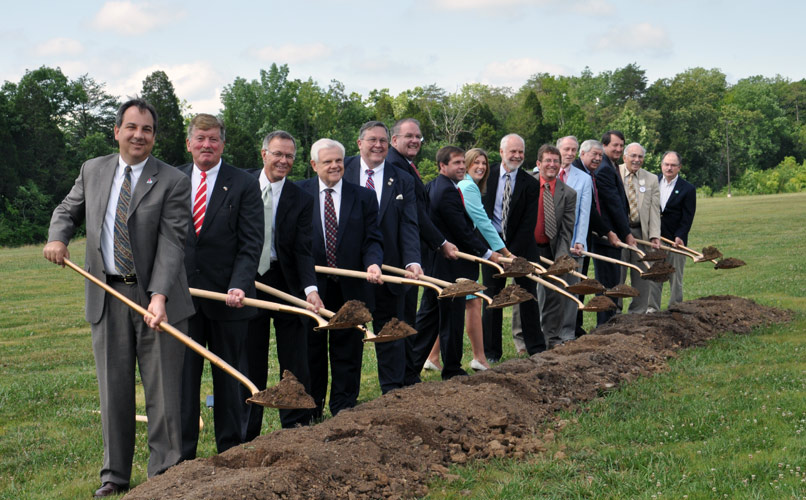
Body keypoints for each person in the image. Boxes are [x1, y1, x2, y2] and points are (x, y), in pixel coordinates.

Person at [43, 98, 195, 497]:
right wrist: (58, 237)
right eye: (131, 127)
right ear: (117, 131)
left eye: (146, 129)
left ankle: (164, 475)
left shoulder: (173, 181)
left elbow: (172, 243)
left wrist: (159, 296)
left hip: (157, 301)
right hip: (106, 295)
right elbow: (67, 210)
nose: (138, 135)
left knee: (163, 394)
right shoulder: (93, 170)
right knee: (113, 391)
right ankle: (115, 476)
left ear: (154, 137)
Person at [178, 114, 263, 460]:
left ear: (222, 144)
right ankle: (182, 456)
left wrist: (240, 285)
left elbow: (250, 242)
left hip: (229, 300)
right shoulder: (173, 180)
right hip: (183, 300)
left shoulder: (242, 183)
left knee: (229, 379)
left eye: (213, 139)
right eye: (200, 139)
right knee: (184, 381)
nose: (206, 145)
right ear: (189, 143)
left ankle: (230, 450)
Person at [298, 139, 383, 419]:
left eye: (339, 161)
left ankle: (344, 408)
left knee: (348, 350)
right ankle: (313, 410)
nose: (335, 166)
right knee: (311, 352)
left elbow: (372, 239)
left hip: (351, 287)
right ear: (314, 165)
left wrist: (373, 263)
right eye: (327, 162)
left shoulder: (364, 197)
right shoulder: (299, 194)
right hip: (312, 288)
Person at [245, 131, 323, 436]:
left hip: (286, 280)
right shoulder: (241, 186)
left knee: (295, 354)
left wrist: (310, 290)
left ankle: (295, 423)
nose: (284, 161)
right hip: (249, 280)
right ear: (263, 154)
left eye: (289, 156)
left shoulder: (300, 198)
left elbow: (304, 249)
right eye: (278, 154)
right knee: (251, 353)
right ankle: (247, 426)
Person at [407, 146, 502, 382]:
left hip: (440, 265)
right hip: (450, 266)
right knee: (450, 318)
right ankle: (450, 369)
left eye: (462, 162)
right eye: (456, 163)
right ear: (442, 166)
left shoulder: (440, 186)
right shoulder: (446, 190)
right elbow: (461, 230)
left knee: (430, 317)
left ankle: (411, 369)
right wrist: (488, 254)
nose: (461, 167)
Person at [344, 121, 421, 394]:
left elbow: (409, 224)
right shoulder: (341, 169)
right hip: (351, 271)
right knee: (350, 338)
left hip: (390, 270)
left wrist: (412, 261)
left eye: (383, 141)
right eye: (372, 140)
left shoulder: (402, 178)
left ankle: (393, 392)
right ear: (359, 143)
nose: (378, 146)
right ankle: (346, 401)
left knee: (391, 333)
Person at [481, 134, 541, 361]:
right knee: (492, 299)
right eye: (512, 151)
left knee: (527, 298)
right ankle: (491, 352)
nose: (517, 156)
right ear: (501, 151)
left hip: (522, 247)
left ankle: (535, 347)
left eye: (520, 152)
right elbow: (481, 214)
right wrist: (496, 251)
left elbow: (528, 223)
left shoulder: (531, 184)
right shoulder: (486, 176)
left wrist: (511, 254)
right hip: (492, 249)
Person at [546, 136, 591, 345]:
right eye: (567, 149)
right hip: (544, 243)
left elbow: (584, 213)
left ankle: (566, 333)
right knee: (544, 290)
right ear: (558, 149)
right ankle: (540, 332)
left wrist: (579, 240)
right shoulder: (540, 174)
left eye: (574, 150)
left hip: (572, 242)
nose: (571, 153)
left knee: (570, 288)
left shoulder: (583, 179)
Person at [532, 145, 576, 347]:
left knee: (555, 295)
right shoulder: (527, 185)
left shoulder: (568, 193)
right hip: (529, 248)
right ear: (538, 163)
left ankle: (552, 338)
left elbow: (567, 229)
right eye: (547, 160)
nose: (552, 164)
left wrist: (561, 257)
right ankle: (524, 340)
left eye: (555, 161)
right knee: (527, 294)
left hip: (553, 248)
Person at [571, 140, 617, 335]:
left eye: (600, 155)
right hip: (574, 237)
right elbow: (588, 210)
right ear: (582, 154)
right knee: (575, 282)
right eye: (594, 154)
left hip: (586, 235)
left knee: (581, 281)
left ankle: (576, 325)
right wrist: (608, 231)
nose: (598, 158)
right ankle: (572, 325)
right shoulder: (577, 174)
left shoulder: (589, 173)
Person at [593, 130, 636, 325]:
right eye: (614, 145)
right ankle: (604, 324)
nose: (618, 149)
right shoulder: (604, 169)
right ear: (604, 146)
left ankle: (609, 320)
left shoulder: (610, 166)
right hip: (607, 236)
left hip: (613, 234)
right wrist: (626, 233)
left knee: (612, 280)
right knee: (607, 282)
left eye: (621, 145)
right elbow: (613, 204)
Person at [647, 151, 696, 312]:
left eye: (673, 165)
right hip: (655, 239)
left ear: (679, 167)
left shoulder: (687, 189)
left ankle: (675, 308)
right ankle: (652, 308)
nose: (669, 168)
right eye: (666, 164)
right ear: (661, 165)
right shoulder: (652, 182)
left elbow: (687, 217)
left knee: (675, 278)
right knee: (655, 275)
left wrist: (680, 236)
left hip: (676, 242)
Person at [618, 142, 661, 314]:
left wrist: (655, 235)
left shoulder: (651, 179)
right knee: (618, 273)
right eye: (633, 156)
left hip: (641, 233)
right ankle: (615, 312)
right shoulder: (615, 173)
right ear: (625, 157)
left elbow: (654, 210)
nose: (636, 160)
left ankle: (638, 312)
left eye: (640, 156)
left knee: (643, 275)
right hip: (620, 233)